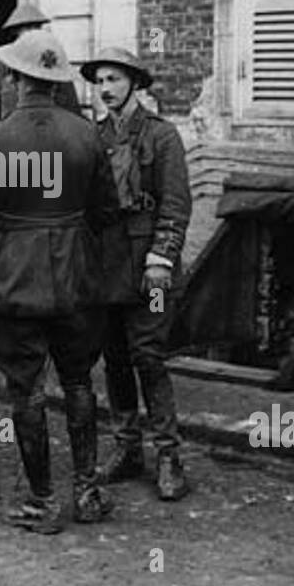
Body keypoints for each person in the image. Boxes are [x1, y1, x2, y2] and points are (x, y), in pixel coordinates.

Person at [0, 28, 122, 534]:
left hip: (15, 280)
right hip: (77, 279)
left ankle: (42, 500)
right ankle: (88, 491)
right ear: (54, 82)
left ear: (14, 76)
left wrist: (0, 248)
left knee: (26, 389)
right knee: (78, 381)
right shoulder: (88, 135)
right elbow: (106, 212)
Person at [80, 47, 192, 501]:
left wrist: (161, 258)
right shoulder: (93, 136)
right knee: (116, 356)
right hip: (106, 266)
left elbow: (176, 203)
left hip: (151, 267)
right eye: (100, 80)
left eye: (114, 79)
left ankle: (169, 455)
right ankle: (127, 447)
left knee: (148, 354)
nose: (105, 88)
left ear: (134, 83)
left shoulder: (162, 137)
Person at [0, 3, 83, 122]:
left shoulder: (52, 63)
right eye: (27, 29)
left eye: (36, 28)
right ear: (15, 32)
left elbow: (71, 107)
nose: (32, 33)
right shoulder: (0, 67)